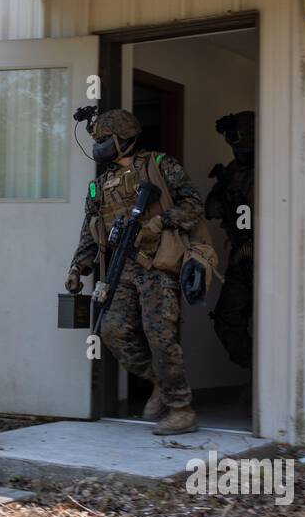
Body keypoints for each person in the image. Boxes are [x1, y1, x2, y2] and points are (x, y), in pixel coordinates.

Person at [65, 109, 204, 435]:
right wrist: (77, 267)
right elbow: (90, 231)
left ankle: (182, 409)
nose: (99, 146)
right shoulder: (99, 185)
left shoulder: (159, 165)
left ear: (123, 138)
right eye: (97, 141)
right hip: (121, 267)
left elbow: (194, 204)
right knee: (112, 330)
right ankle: (159, 380)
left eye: (103, 140)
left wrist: (162, 221)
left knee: (160, 335)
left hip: (157, 264)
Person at [205, 111, 254, 368]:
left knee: (279, 325)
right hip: (240, 258)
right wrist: (223, 192)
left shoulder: (276, 168)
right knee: (227, 322)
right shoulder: (234, 171)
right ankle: (259, 373)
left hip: (272, 258)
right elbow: (210, 208)